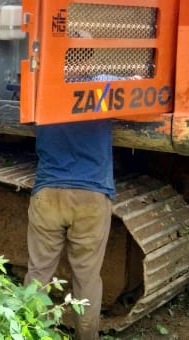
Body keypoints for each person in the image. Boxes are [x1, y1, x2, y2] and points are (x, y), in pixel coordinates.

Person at [26, 118, 115, 340]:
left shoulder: (43, 98)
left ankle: (29, 333)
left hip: (48, 190)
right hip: (91, 194)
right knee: (87, 278)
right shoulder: (102, 99)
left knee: (38, 272)